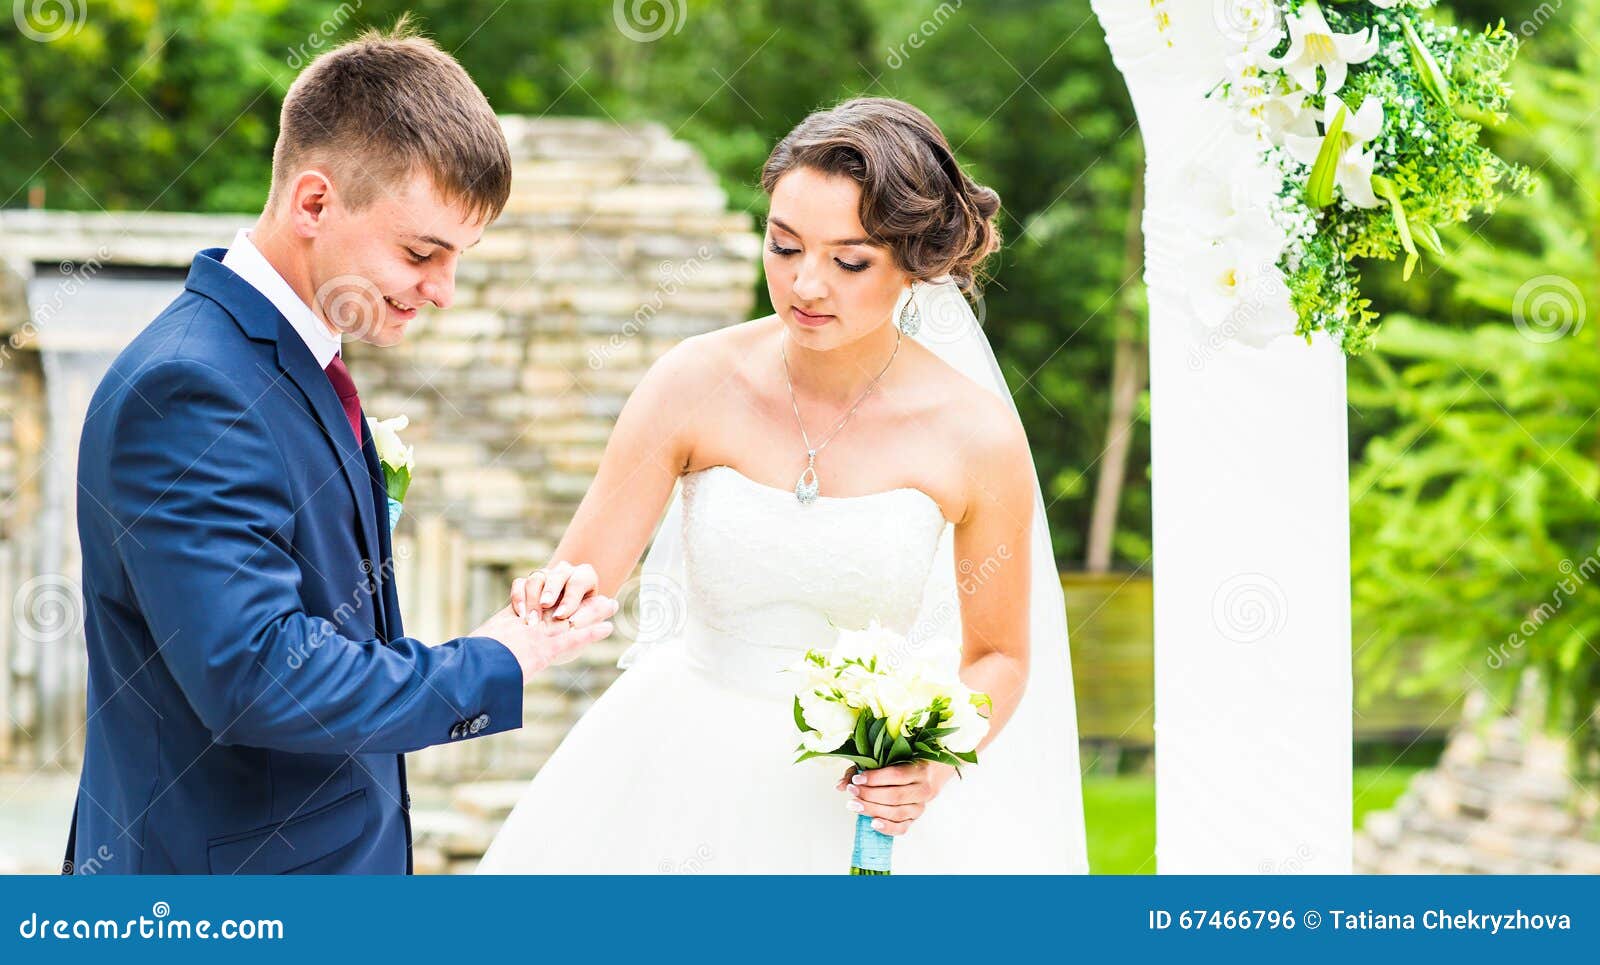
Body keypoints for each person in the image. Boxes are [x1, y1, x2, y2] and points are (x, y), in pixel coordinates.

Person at [479, 97, 1087, 873]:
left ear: (915, 260)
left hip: (856, 796)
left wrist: (929, 764)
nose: (806, 284)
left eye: (849, 261)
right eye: (784, 245)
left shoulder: (977, 435)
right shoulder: (691, 381)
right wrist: (539, 607)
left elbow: (999, 655)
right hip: (676, 770)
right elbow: (580, 582)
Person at [65, 20, 615, 876]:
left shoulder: (290, 361)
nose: (443, 290)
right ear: (314, 203)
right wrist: (498, 658)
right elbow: (258, 674)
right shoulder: (189, 388)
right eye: (422, 252)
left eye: (459, 258)